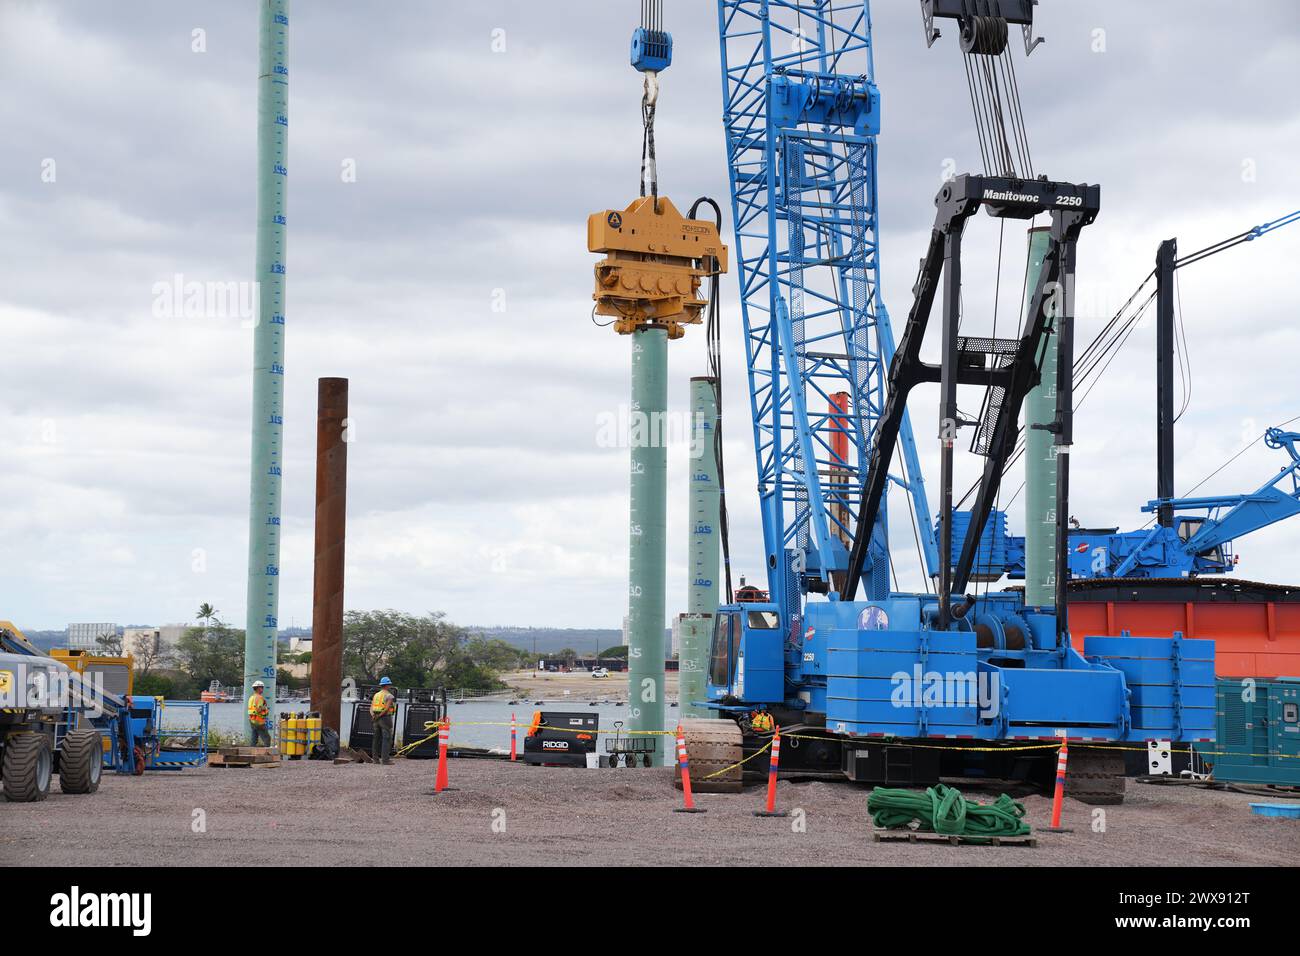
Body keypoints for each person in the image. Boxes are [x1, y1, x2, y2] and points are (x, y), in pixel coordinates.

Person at [370, 677, 398, 765]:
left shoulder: (376, 695)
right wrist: (379, 716)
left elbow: (371, 708)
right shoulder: (389, 696)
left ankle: (375, 759)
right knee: (386, 738)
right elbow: (386, 709)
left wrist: (374, 716)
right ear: (387, 685)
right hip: (385, 718)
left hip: (375, 718)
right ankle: (385, 760)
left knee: (376, 739)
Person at [247, 680, 272, 747]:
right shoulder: (259, 698)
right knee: (267, 738)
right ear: (258, 688)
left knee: (254, 739)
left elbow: (252, 709)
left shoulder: (251, 698)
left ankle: (251, 751)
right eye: (262, 687)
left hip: (252, 721)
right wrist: (264, 708)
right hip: (259, 722)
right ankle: (267, 754)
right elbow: (258, 709)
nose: (262, 689)